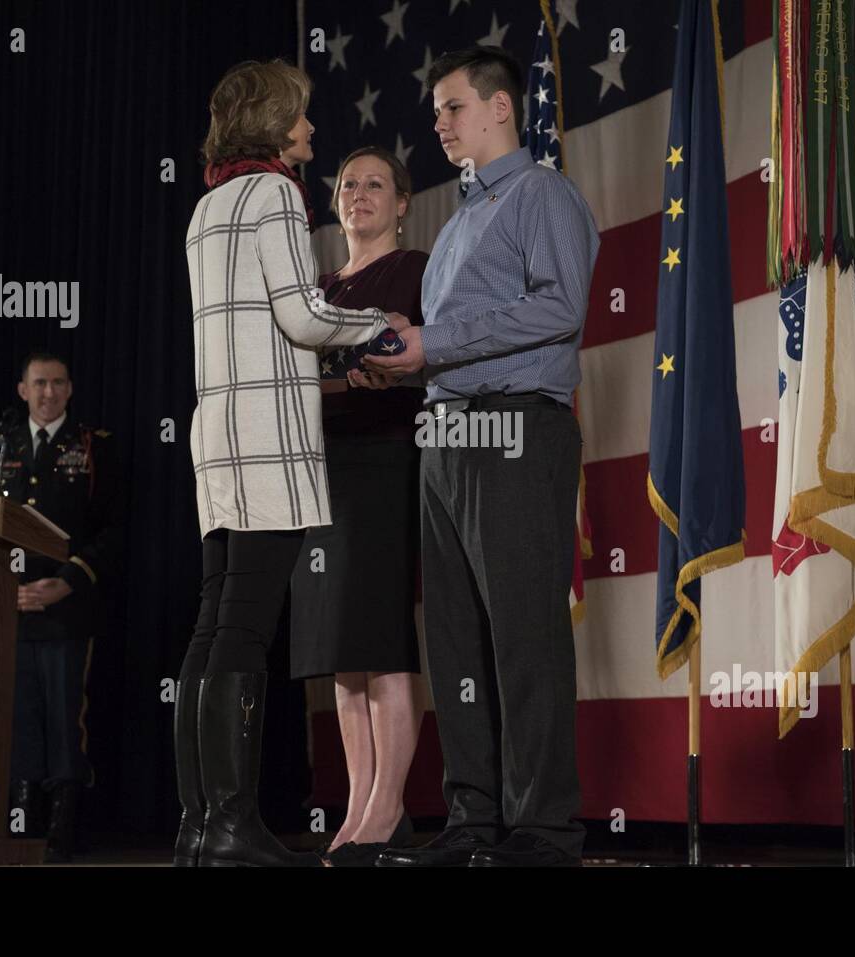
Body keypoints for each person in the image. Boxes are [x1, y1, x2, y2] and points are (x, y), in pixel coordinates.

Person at [364, 46, 599, 867]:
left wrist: (436, 340)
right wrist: (399, 353)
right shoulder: (460, 219)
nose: (439, 120)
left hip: (515, 428)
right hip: (445, 433)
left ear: (502, 108)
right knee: (456, 638)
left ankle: (543, 828)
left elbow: (562, 307)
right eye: (437, 109)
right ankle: (473, 821)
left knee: (523, 633)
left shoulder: (544, 196)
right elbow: (445, 343)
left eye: (453, 106)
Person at [177, 59, 406, 868]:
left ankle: (200, 824)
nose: (311, 127)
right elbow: (302, 316)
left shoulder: (206, 208)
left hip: (218, 440)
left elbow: (257, 334)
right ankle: (233, 825)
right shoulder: (275, 193)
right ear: (275, 122)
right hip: (268, 445)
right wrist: (382, 325)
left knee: (213, 628)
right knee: (242, 631)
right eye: (302, 114)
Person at [289, 146, 427, 868]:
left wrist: (338, 375)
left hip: (384, 465)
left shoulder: (415, 269)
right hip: (321, 474)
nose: (360, 193)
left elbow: (408, 360)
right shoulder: (312, 290)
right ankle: (359, 803)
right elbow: (307, 378)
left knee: (378, 636)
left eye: (376, 184)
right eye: (348, 183)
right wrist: (346, 371)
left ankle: (389, 805)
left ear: (402, 202)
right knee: (339, 649)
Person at [0, 350, 127, 864]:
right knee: (17, 715)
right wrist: (6, 589)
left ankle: (62, 827)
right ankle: (22, 821)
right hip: (11, 606)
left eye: (58, 383)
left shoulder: (93, 448)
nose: (49, 392)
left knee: (66, 716)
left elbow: (113, 530)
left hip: (68, 606)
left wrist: (68, 582)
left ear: (70, 389)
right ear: (22, 389)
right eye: (39, 383)